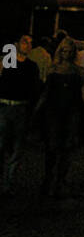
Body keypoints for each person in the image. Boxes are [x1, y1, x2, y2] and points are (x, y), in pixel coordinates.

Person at [33, 38, 84, 197]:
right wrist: (37, 110)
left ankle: (59, 180)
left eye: (69, 51)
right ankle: (49, 178)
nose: (67, 54)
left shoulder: (78, 71)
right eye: (64, 50)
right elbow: (46, 92)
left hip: (71, 110)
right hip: (54, 111)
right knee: (52, 146)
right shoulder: (53, 69)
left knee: (66, 148)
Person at [0, 34, 41, 196]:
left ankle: (7, 183)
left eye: (31, 43)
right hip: (4, 106)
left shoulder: (32, 66)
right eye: (25, 42)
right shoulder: (6, 61)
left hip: (21, 108)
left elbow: (34, 89)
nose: (28, 45)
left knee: (17, 147)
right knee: (2, 145)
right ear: (17, 44)